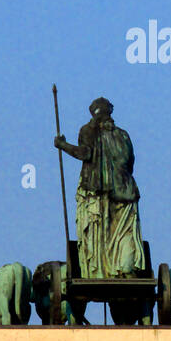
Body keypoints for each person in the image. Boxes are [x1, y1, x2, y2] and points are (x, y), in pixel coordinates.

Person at [55, 97, 145, 280]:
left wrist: (62, 145)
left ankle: (98, 273)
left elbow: (85, 153)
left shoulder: (88, 130)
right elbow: (131, 162)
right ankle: (126, 269)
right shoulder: (123, 135)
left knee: (99, 235)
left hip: (96, 194)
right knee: (124, 234)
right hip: (126, 193)